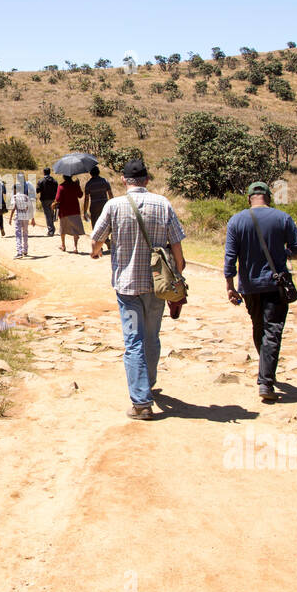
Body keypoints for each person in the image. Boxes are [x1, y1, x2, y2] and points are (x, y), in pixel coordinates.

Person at [90, 158, 186, 421]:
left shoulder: (114, 206)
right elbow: (177, 246)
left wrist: (95, 253)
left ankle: (142, 402)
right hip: (158, 286)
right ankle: (148, 384)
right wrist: (178, 272)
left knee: (133, 340)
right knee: (152, 335)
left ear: (124, 180)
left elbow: (96, 239)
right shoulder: (163, 204)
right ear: (146, 179)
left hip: (127, 286)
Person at [223, 181, 297, 403]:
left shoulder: (236, 220)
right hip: (275, 285)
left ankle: (265, 371)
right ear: (268, 197)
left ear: (249, 198)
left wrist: (230, 286)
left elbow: (230, 258)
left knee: (259, 327)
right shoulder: (283, 218)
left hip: (249, 286)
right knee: (273, 331)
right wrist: (284, 253)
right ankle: (266, 381)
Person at [82, 165, 114, 246]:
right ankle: (106, 240)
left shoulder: (89, 184)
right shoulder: (105, 181)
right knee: (105, 223)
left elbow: (86, 199)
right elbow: (110, 193)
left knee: (95, 225)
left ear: (91, 174)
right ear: (98, 172)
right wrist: (113, 204)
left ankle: (98, 246)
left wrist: (85, 211)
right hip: (105, 205)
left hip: (94, 207)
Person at [54, 174, 84, 253]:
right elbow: (80, 195)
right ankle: (75, 247)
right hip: (75, 210)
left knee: (63, 229)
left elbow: (58, 199)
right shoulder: (75, 185)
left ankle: (63, 245)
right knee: (75, 230)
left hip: (64, 211)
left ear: (64, 177)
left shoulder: (61, 186)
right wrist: (78, 185)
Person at [9, 173, 34, 258]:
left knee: (18, 233)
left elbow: (13, 208)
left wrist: (10, 218)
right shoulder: (26, 197)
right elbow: (30, 208)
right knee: (25, 233)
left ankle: (19, 252)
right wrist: (32, 218)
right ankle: (25, 250)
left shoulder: (15, 197)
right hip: (26, 216)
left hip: (18, 215)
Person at [35, 168, 59, 236]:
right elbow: (57, 190)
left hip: (44, 200)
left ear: (44, 172)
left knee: (47, 215)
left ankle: (51, 230)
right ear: (50, 172)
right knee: (51, 214)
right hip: (52, 199)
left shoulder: (41, 181)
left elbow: (37, 190)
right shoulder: (54, 181)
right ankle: (52, 228)